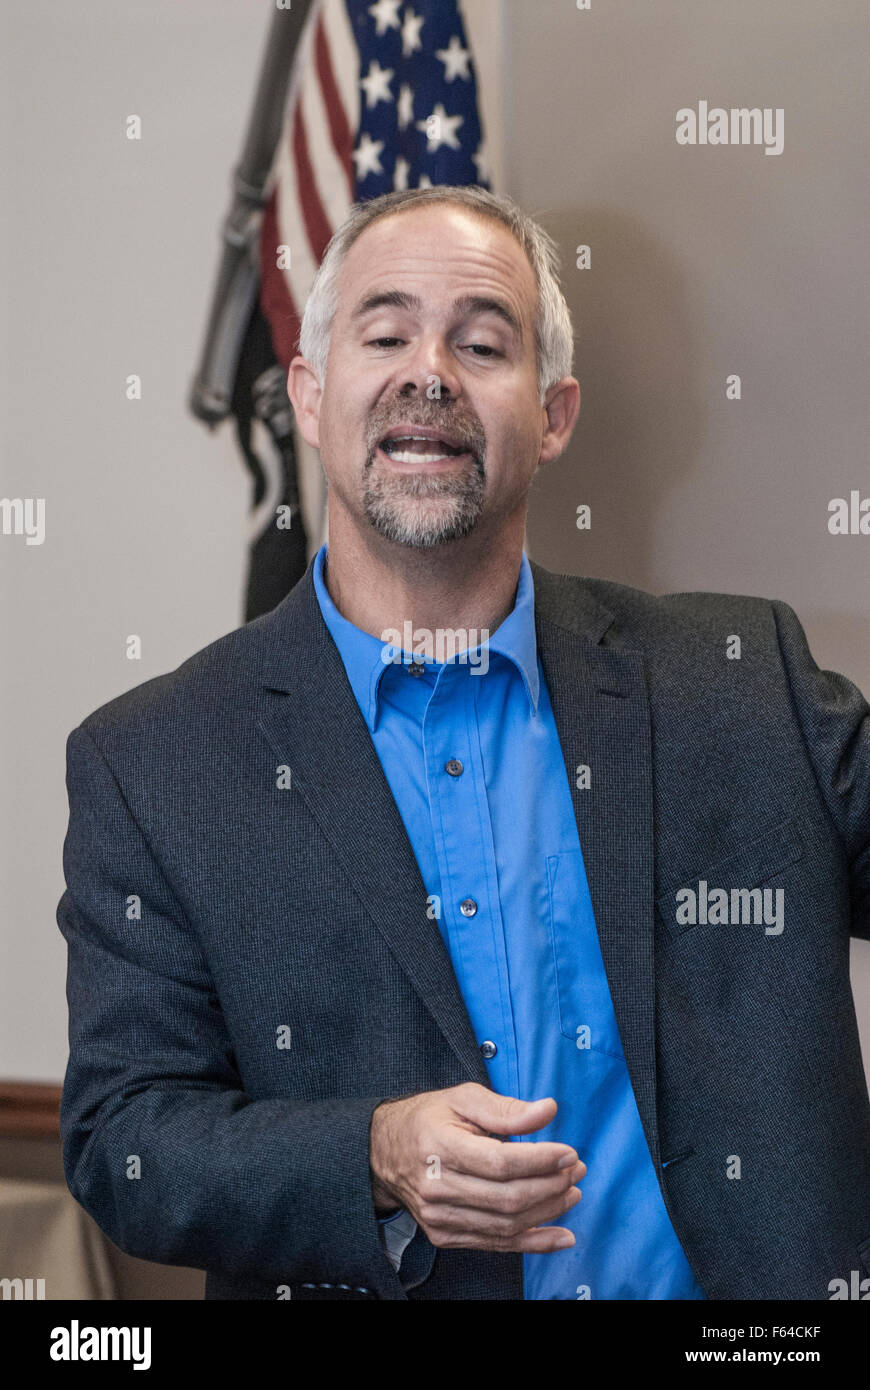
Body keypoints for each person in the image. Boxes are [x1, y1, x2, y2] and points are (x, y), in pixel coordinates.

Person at [58, 186, 870, 1301]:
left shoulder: (740, 681)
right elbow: (126, 1140)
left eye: (482, 342)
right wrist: (377, 1152)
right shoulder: (152, 765)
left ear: (553, 413)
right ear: (309, 391)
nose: (428, 371)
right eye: (385, 333)